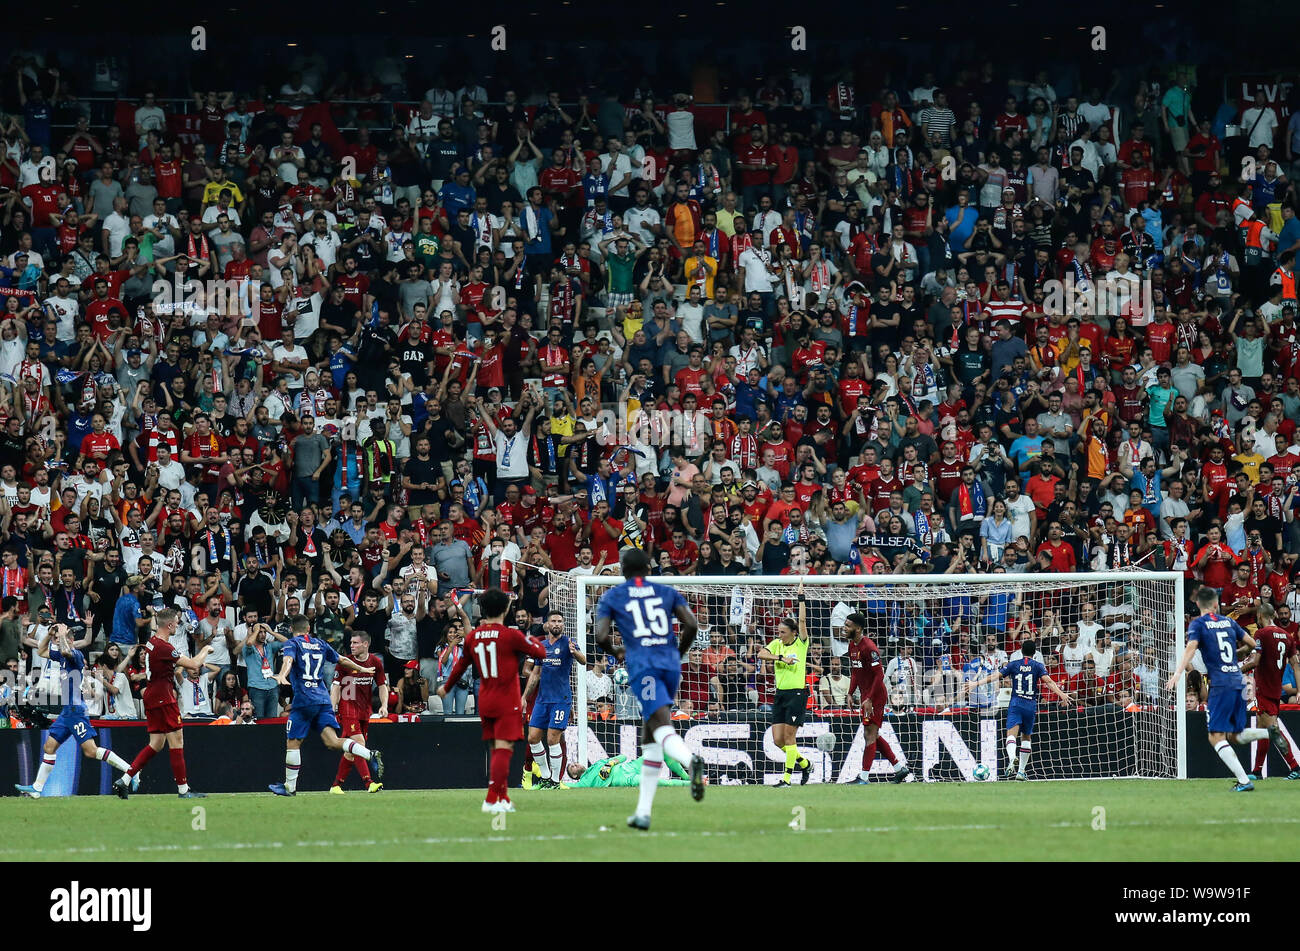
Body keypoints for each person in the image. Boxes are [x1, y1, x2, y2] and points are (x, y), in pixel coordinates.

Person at [593, 547, 705, 829]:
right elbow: (691, 624)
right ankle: (643, 813)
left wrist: (617, 649)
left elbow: (600, 635)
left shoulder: (614, 596)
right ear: (648, 569)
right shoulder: (665, 592)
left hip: (643, 665)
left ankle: (691, 761)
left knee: (661, 727)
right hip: (670, 663)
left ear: (622, 571)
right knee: (650, 740)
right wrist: (678, 652)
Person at [437, 587, 545, 813]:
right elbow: (541, 653)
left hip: (485, 698)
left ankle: (502, 797)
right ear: (506, 609)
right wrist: (533, 637)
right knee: (503, 748)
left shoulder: (474, 636)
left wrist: (446, 688)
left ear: (482, 610)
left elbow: (461, 666)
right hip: (506, 698)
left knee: (496, 748)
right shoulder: (511, 635)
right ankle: (491, 799)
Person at [1165, 585, 1272, 791]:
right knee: (1235, 735)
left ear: (1198, 604)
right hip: (1237, 679)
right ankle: (1270, 734)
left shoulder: (1199, 624)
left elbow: (1190, 646)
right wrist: (1239, 652)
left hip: (1221, 684)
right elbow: (1253, 643)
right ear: (1216, 604)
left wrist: (1178, 673)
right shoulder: (1229, 621)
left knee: (1215, 737)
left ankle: (1244, 781)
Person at [268, 614, 385, 797]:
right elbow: (342, 660)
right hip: (322, 700)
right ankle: (369, 754)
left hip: (304, 701)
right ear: (308, 629)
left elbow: (288, 660)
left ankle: (290, 787)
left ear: (292, 629)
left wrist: (282, 675)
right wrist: (362, 668)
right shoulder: (320, 643)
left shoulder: (292, 643)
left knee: (293, 742)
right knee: (333, 742)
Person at [14, 625, 135, 798]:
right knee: (49, 747)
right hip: (66, 712)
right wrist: (49, 635)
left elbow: (65, 651)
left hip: (76, 711)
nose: (56, 642)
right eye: (56, 639)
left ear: (69, 640)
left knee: (91, 751)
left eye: (59, 639)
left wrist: (62, 635)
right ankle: (37, 788)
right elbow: (41, 651)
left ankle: (131, 771)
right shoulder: (62, 656)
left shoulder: (75, 656)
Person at [112, 608, 214, 798]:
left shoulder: (152, 643)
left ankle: (124, 780)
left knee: (156, 743)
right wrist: (206, 650)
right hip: (163, 696)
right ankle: (183, 790)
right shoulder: (164, 647)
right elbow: (192, 664)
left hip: (152, 694)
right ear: (169, 625)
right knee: (177, 741)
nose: (177, 625)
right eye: (176, 622)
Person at [961, 639, 1072, 780]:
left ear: (1021, 651)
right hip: (1030, 704)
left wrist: (975, 683)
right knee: (1026, 737)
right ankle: (1020, 772)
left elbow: (995, 676)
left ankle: (1012, 758)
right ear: (1035, 653)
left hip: (1016, 703)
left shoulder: (1014, 664)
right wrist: (1061, 694)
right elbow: (1048, 681)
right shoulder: (1038, 665)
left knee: (1011, 735)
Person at [843, 611, 911, 783]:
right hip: (866, 695)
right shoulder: (852, 646)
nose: (844, 628)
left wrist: (870, 698)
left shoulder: (869, 648)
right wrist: (850, 692)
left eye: (847, 626)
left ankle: (864, 777)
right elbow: (855, 673)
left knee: (869, 734)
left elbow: (879, 675)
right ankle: (899, 768)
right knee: (873, 734)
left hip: (876, 696)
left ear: (858, 629)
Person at [756, 579, 813, 786]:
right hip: (780, 694)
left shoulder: (801, 643)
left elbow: (803, 621)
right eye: (778, 632)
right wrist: (781, 658)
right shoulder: (776, 645)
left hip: (797, 694)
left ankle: (787, 779)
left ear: (793, 633)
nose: (779, 635)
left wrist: (801, 598)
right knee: (778, 740)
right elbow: (761, 654)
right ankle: (805, 763)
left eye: (782, 632)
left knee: (790, 739)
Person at [522, 609, 586, 789]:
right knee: (533, 738)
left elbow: (583, 660)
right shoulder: (541, 646)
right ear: (547, 625)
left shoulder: (568, 643)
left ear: (563, 624)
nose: (557, 624)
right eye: (554, 621)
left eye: (560, 621)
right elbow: (535, 674)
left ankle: (555, 782)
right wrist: (525, 697)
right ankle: (545, 777)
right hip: (542, 700)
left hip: (561, 699)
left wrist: (575, 652)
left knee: (552, 739)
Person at [1240, 603, 1300, 780]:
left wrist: (1236, 672)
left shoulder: (1262, 633)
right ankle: (1257, 771)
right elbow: (1295, 664)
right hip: (1276, 688)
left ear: (1260, 616)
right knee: (1262, 728)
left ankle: (1295, 766)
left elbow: (1256, 661)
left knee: (1272, 729)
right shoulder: (1287, 636)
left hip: (1265, 688)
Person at [329, 630, 389, 794]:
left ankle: (336, 785)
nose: (351, 645)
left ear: (365, 644)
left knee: (351, 751)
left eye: (355, 643)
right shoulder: (344, 662)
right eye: (351, 643)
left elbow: (383, 685)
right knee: (359, 744)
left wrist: (384, 705)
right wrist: (331, 707)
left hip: (365, 711)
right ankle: (369, 782)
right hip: (347, 709)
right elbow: (336, 686)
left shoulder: (375, 662)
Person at [565, 754, 691, 787]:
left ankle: (687, 778)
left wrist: (610, 763)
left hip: (631, 766)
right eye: (573, 767)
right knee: (657, 783)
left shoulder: (598, 764)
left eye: (575, 763)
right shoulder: (583, 783)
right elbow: (562, 785)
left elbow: (623, 757)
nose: (576, 764)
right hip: (624, 779)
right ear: (575, 776)